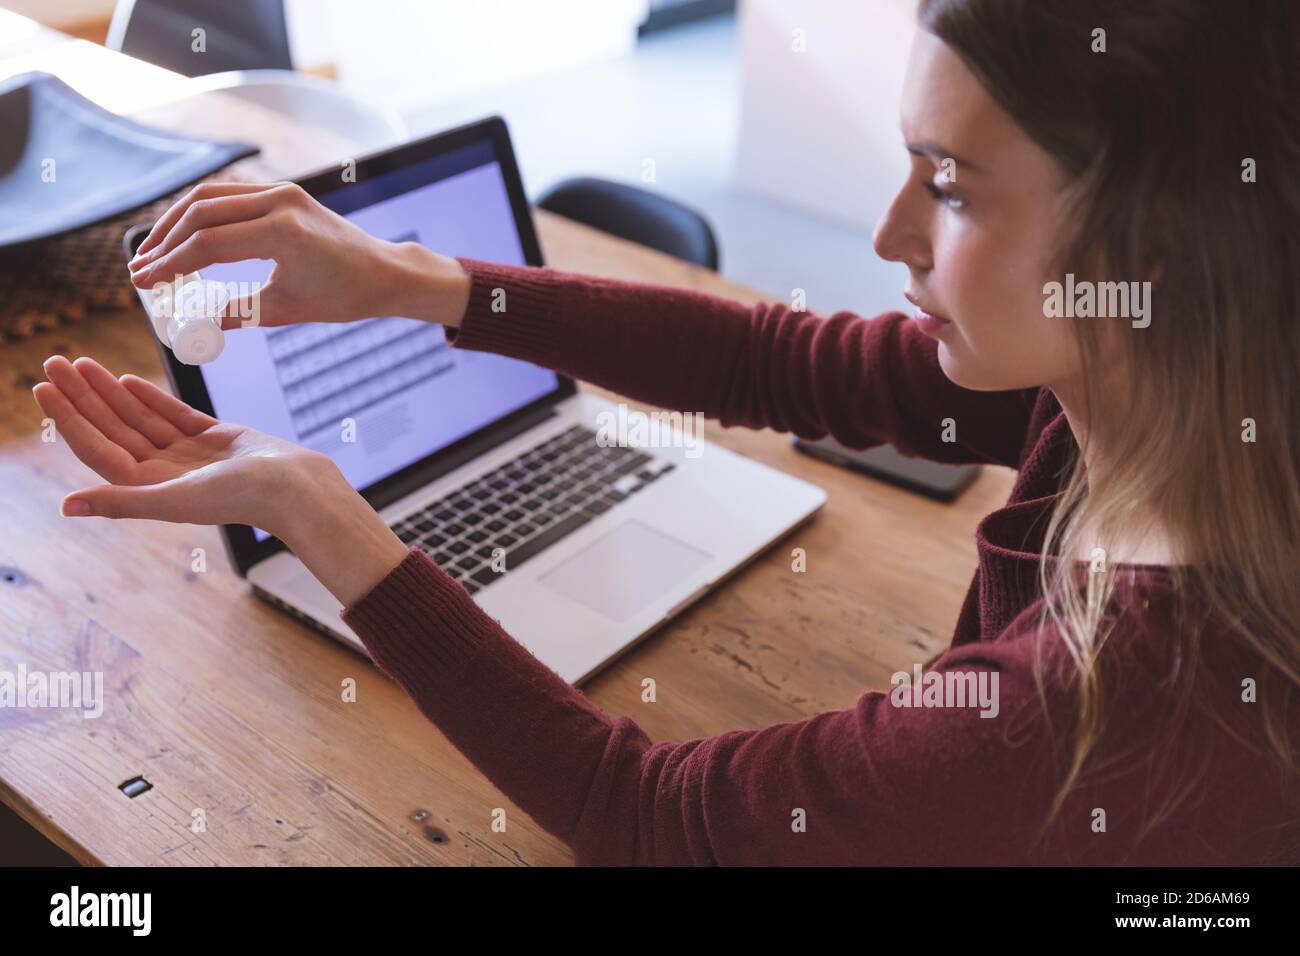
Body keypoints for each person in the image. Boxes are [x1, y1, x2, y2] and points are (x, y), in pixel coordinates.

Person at [33, 0, 1300, 864]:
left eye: (952, 185)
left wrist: (320, 512)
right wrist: (415, 282)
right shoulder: (1163, 376)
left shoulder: (1090, 712)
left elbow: (642, 814)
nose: (889, 233)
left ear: (1148, 242)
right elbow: (783, 357)